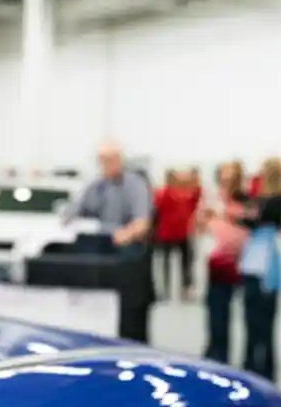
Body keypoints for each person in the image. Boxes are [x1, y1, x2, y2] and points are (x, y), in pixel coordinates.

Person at [68, 141, 154, 342]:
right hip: (101, 259)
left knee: (131, 325)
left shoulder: (135, 184)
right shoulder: (96, 186)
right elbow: (77, 212)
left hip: (129, 261)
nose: (107, 164)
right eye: (103, 160)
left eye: (111, 159)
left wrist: (126, 234)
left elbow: (142, 223)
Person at [238, 157, 281, 380]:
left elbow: (256, 218)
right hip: (253, 266)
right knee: (252, 326)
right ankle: (252, 370)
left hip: (264, 269)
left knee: (263, 328)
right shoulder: (261, 200)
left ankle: (263, 373)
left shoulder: (277, 201)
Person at [198, 161, 249, 364]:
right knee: (214, 312)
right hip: (213, 262)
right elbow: (199, 224)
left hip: (235, 263)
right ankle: (215, 352)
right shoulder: (212, 198)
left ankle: (223, 354)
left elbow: (244, 227)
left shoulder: (243, 200)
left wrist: (222, 216)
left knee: (228, 313)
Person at [152, 168, 201, 301]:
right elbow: (155, 210)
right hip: (166, 233)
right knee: (165, 262)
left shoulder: (188, 194)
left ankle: (186, 288)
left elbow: (197, 199)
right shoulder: (162, 193)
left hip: (184, 233)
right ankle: (164, 289)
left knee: (187, 262)